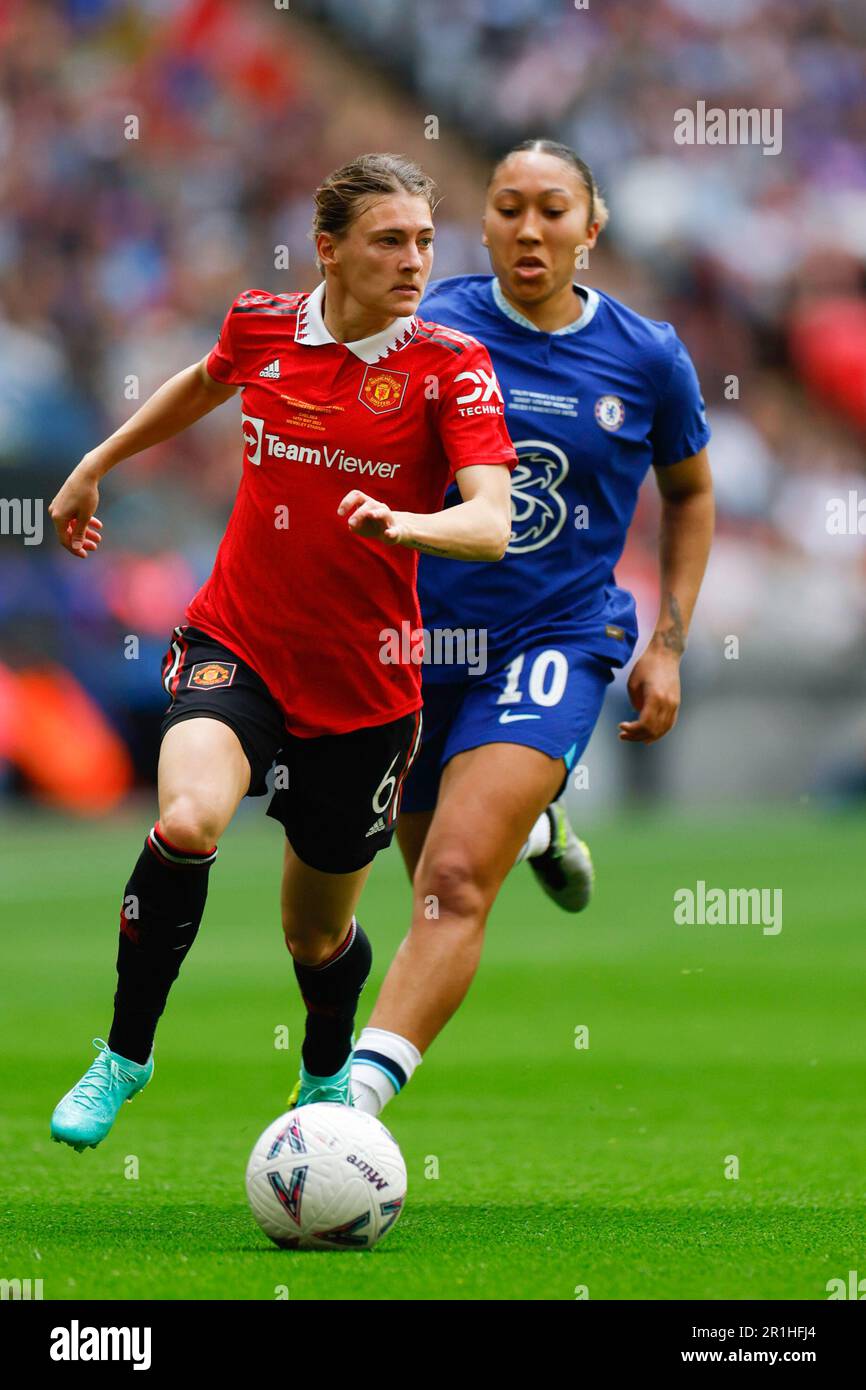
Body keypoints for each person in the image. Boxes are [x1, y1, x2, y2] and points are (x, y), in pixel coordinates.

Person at [47, 153, 516, 1151]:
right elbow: (204, 381)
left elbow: (490, 523)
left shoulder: (448, 366)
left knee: (313, 933)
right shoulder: (263, 321)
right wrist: (98, 462)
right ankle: (125, 1055)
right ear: (330, 248)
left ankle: (321, 1069)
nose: (415, 260)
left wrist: (404, 524)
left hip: (363, 686)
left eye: (426, 240)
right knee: (185, 819)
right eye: (391, 239)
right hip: (239, 641)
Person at [349, 139, 715, 1117]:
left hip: (556, 636)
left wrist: (667, 644)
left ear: (588, 230)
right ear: (485, 223)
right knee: (424, 867)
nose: (527, 226)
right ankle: (538, 826)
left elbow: (689, 493)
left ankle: (351, 1105)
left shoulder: (645, 357)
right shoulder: (428, 321)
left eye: (551, 209)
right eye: (507, 206)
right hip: (416, 643)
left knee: (457, 876)